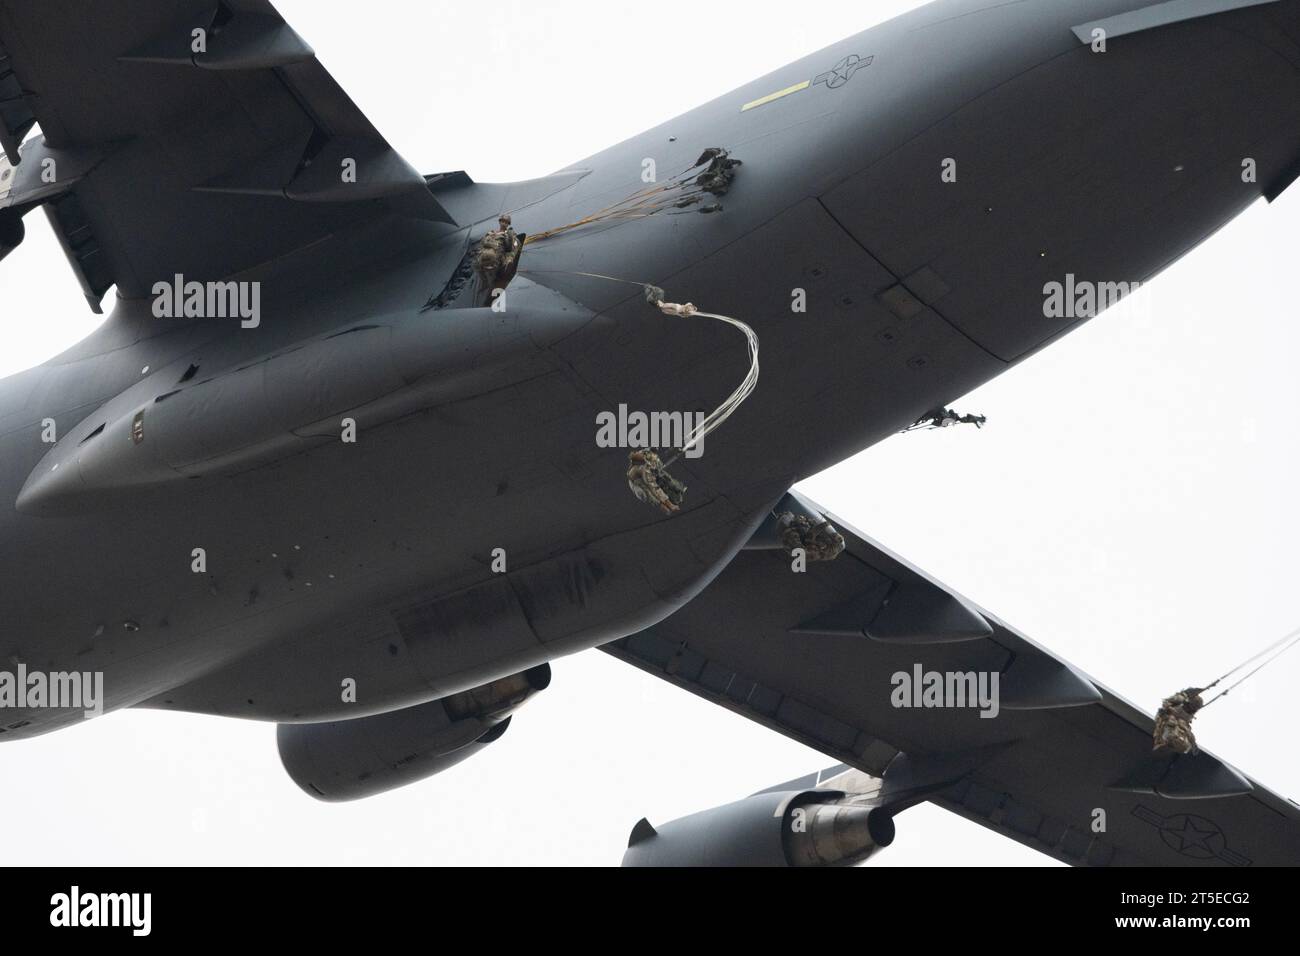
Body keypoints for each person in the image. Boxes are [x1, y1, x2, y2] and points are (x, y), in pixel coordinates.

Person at [473, 214, 520, 299]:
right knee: (477, 267)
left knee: (492, 276)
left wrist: (509, 259)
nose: (504, 223)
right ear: (499, 221)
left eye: (506, 222)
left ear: (508, 224)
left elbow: (512, 247)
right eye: (502, 221)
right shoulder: (491, 233)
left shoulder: (508, 234)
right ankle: (485, 284)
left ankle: (491, 291)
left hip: (496, 258)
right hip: (482, 258)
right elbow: (482, 245)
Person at [627, 449, 687, 514]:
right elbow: (655, 489)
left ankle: (676, 489)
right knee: (650, 496)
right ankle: (664, 506)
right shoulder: (644, 471)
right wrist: (670, 505)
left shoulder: (647, 453)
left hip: (647, 471)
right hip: (638, 483)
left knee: (664, 476)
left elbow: (657, 464)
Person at [1153, 687, 1205, 755]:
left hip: (1174, 735)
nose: (1190, 710)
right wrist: (1166, 711)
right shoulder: (1177, 703)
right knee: (1172, 722)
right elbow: (1165, 705)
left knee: (1183, 728)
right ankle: (1165, 742)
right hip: (1166, 725)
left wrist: (1194, 744)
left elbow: (1189, 733)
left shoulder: (1185, 721)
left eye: (1193, 709)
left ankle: (1171, 743)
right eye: (1191, 707)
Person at [776, 512, 846, 562]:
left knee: (789, 519)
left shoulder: (813, 551)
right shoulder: (829, 550)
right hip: (792, 536)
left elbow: (808, 538)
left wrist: (824, 525)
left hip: (788, 532)